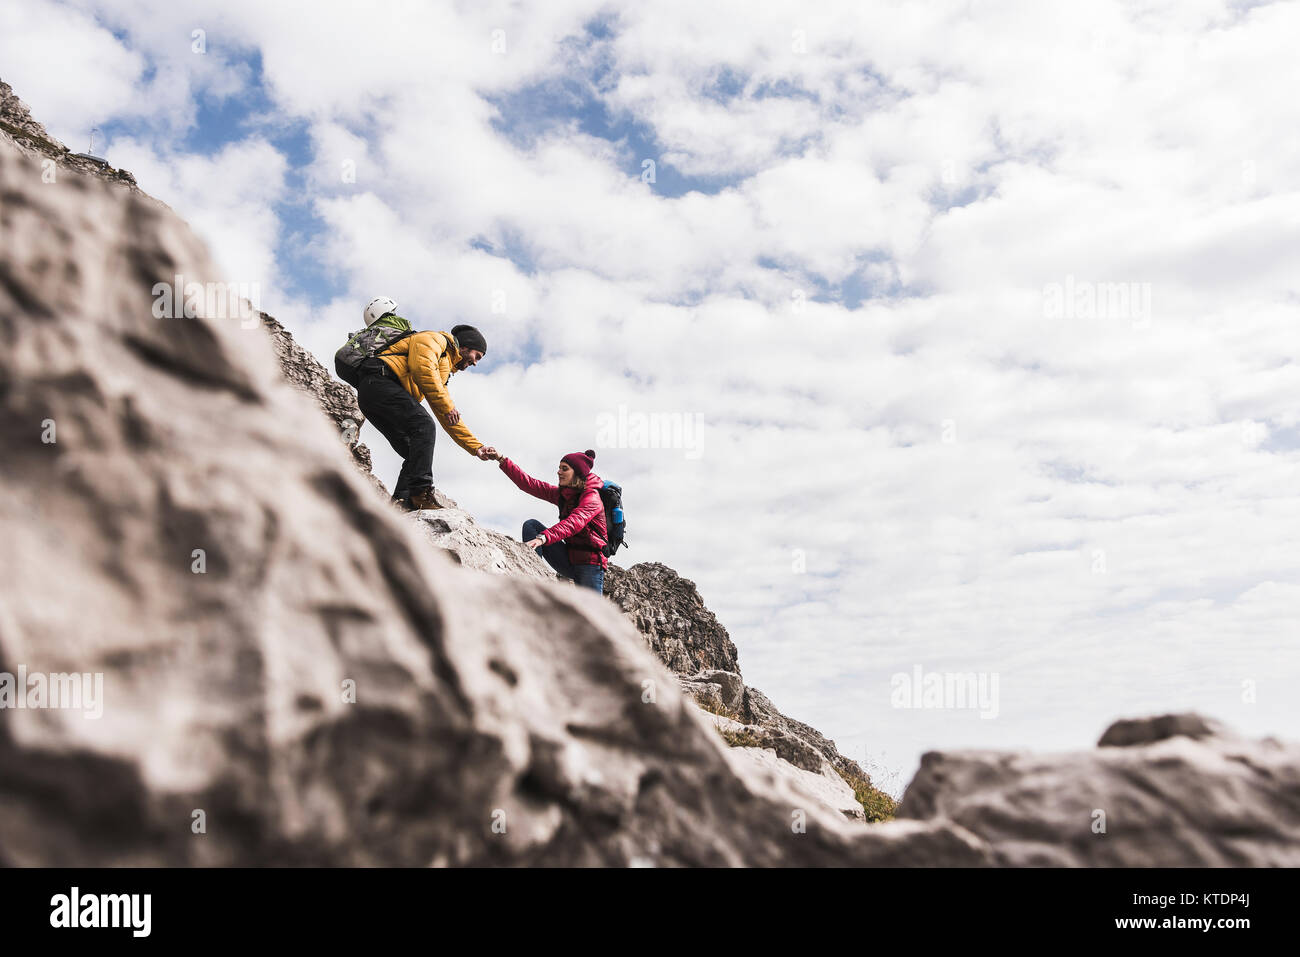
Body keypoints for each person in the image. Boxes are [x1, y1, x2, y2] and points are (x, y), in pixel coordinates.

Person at [354, 308, 496, 510]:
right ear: (465, 346)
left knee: (415, 448)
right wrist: (447, 406)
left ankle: (402, 503)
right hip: (378, 382)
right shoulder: (434, 339)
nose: (475, 362)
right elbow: (422, 368)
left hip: (374, 396)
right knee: (424, 425)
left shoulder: (443, 370)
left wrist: (476, 447)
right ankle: (421, 493)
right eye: (477, 356)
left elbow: (448, 416)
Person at [479, 447, 609, 594]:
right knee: (531, 525)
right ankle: (533, 574)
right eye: (559, 468)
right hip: (569, 558)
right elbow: (529, 484)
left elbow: (574, 522)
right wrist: (501, 459)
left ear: (577, 473)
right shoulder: (563, 495)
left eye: (564, 469)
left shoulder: (592, 498)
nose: (559, 472)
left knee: (590, 613)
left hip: (590, 564)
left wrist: (543, 538)